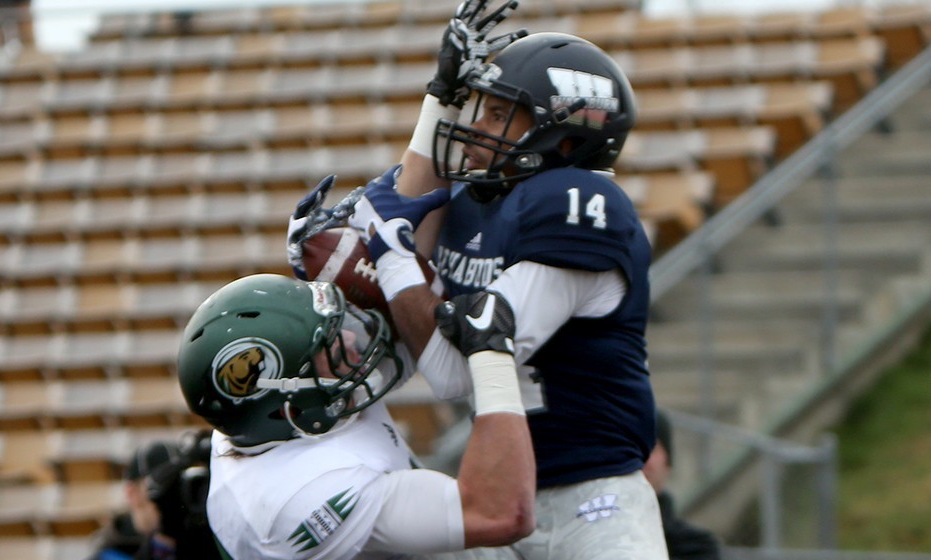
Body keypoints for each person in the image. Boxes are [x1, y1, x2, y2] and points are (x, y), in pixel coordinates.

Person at [290, 2, 668, 557]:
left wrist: (393, 260)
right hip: (500, 497)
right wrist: (437, 96)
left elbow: (455, 373)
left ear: (562, 136)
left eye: (497, 115)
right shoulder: (481, 202)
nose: (472, 130)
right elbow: (405, 208)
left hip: (595, 502)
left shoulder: (579, 203)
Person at [176, 273, 535, 558]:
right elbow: (499, 512)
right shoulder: (300, 497)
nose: (351, 339)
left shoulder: (263, 420)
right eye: (328, 349)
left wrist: (385, 225)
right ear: (289, 399)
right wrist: (491, 353)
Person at [89, 437, 221, 560]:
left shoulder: (202, 540)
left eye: (177, 486)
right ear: (132, 493)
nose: (172, 497)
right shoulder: (111, 554)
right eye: (159, 487)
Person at [643, 410, 722, 560]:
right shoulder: (595, 539)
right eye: (633, 449)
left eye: (651, 448)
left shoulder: (697, 547)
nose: (641, 461)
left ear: (668, 461)